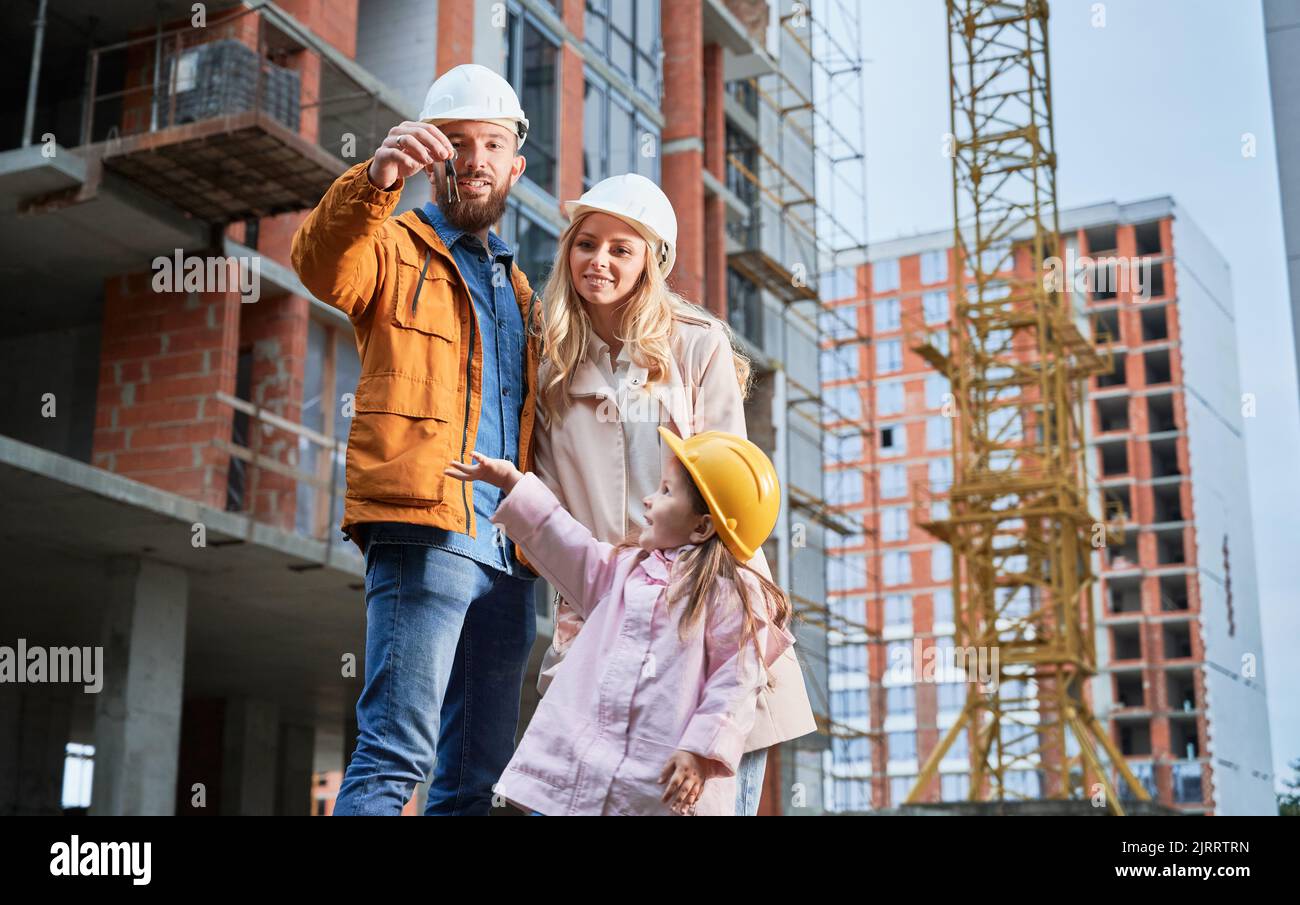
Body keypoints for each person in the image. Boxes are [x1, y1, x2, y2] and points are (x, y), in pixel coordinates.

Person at [290, 63, 540, 815]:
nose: (474, 158)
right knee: (394, 755)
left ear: (514, 165)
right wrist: (376, 178)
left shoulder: (521, 291)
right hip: (424, 531)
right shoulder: (391, 244)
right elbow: (321, 267)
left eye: (491, 143)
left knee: (477, 782)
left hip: (508, 557)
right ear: (433, 153)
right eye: (457, 141)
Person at [528, 173, 817, 814]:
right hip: (607, 622)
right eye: (586, 243)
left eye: (621, 248)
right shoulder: (551, 367)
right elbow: (551, 511)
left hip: (708, 625)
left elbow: (727, 495)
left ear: (651, 261)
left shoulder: (697, 344)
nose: (598, 261)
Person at [446, 429, 793, 816]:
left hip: (654, 795)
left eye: (665, 491)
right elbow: (568, 543)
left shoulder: (731, 598)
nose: (649, 497)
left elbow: (736, 683)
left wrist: (699, 750)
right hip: (578, 783)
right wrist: (514, 483)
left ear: (702, 527)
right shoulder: (624, 571)